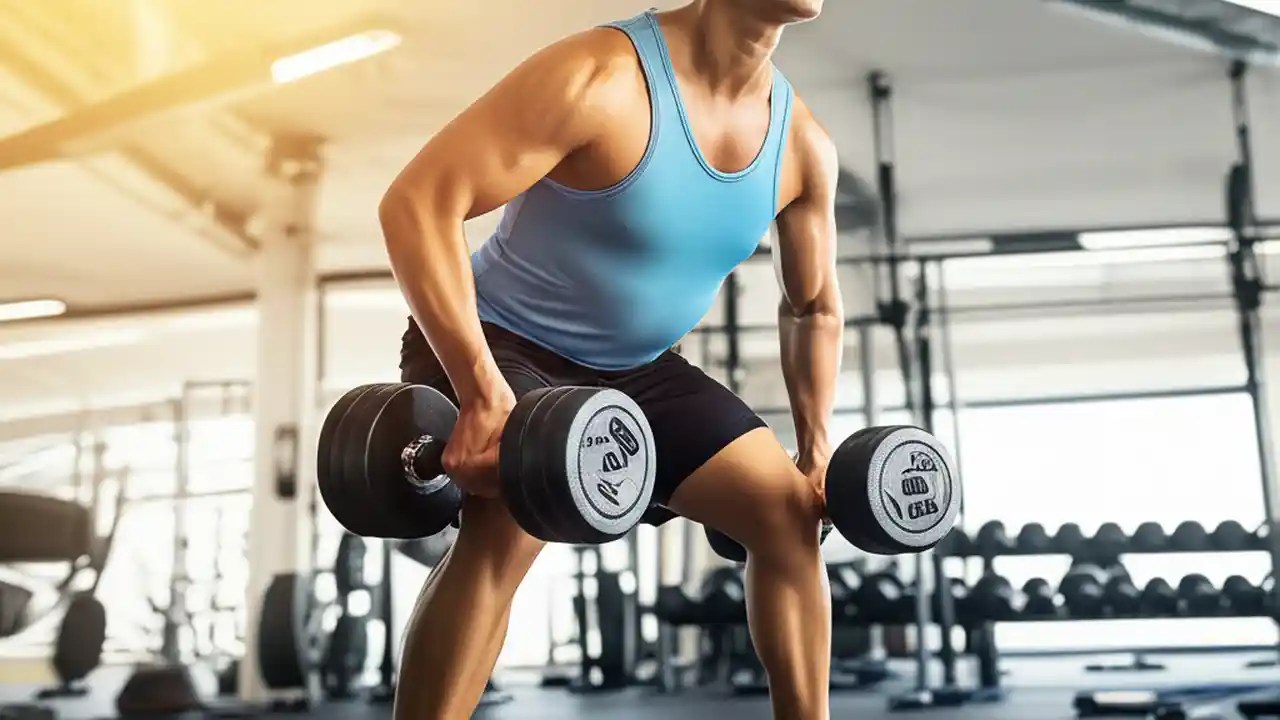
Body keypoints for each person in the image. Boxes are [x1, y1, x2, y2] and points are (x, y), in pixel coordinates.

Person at [379, 1, 838, 717]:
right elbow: (417, 201)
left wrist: (815, 452)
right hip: (503, 343)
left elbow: (812, 308)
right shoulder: (602, 77)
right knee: (511, 519)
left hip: (642, 369)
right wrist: (479, 388)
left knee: (785, 516)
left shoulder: (802, 145)